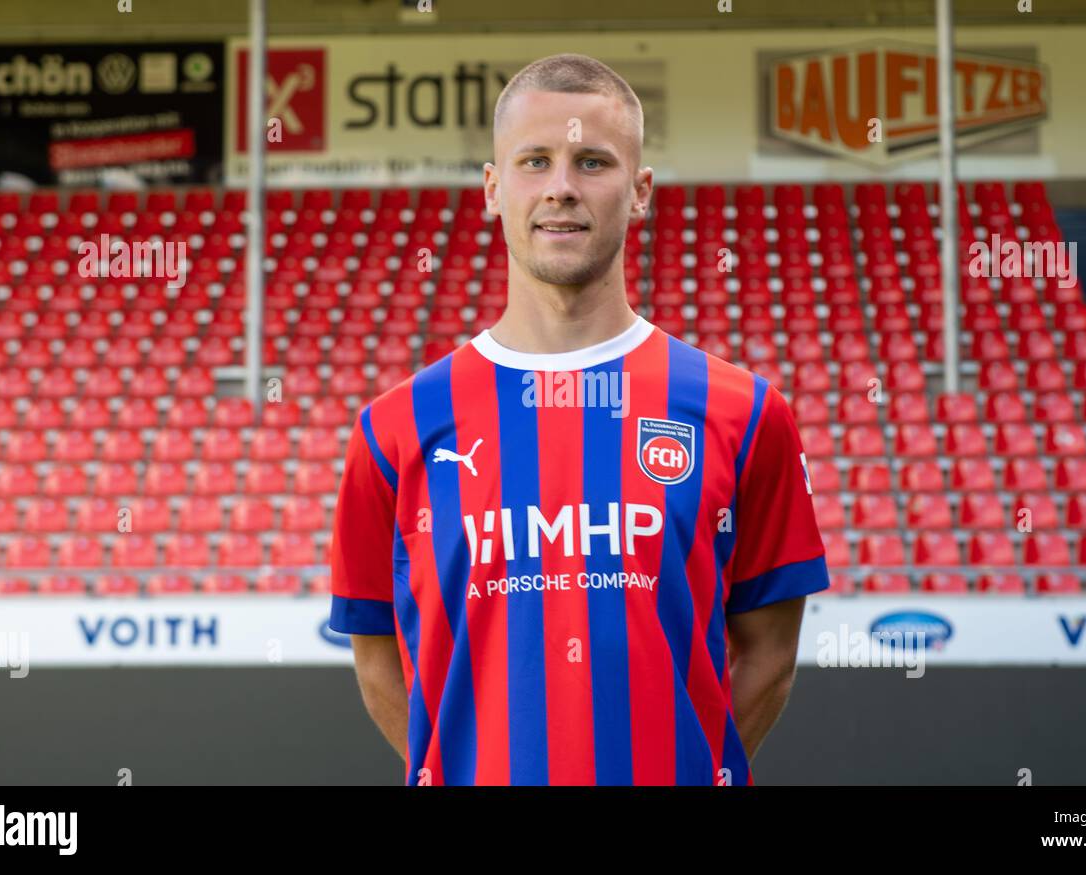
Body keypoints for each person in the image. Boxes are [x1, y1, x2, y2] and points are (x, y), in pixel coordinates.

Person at [330, 52, 828, 785]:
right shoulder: (395, 428)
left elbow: (768, 655)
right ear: (494, 190)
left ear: (640, 191)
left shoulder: (744, 413)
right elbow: (377, 654)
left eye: (592, 161)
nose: (561, 187)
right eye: (535, 161)